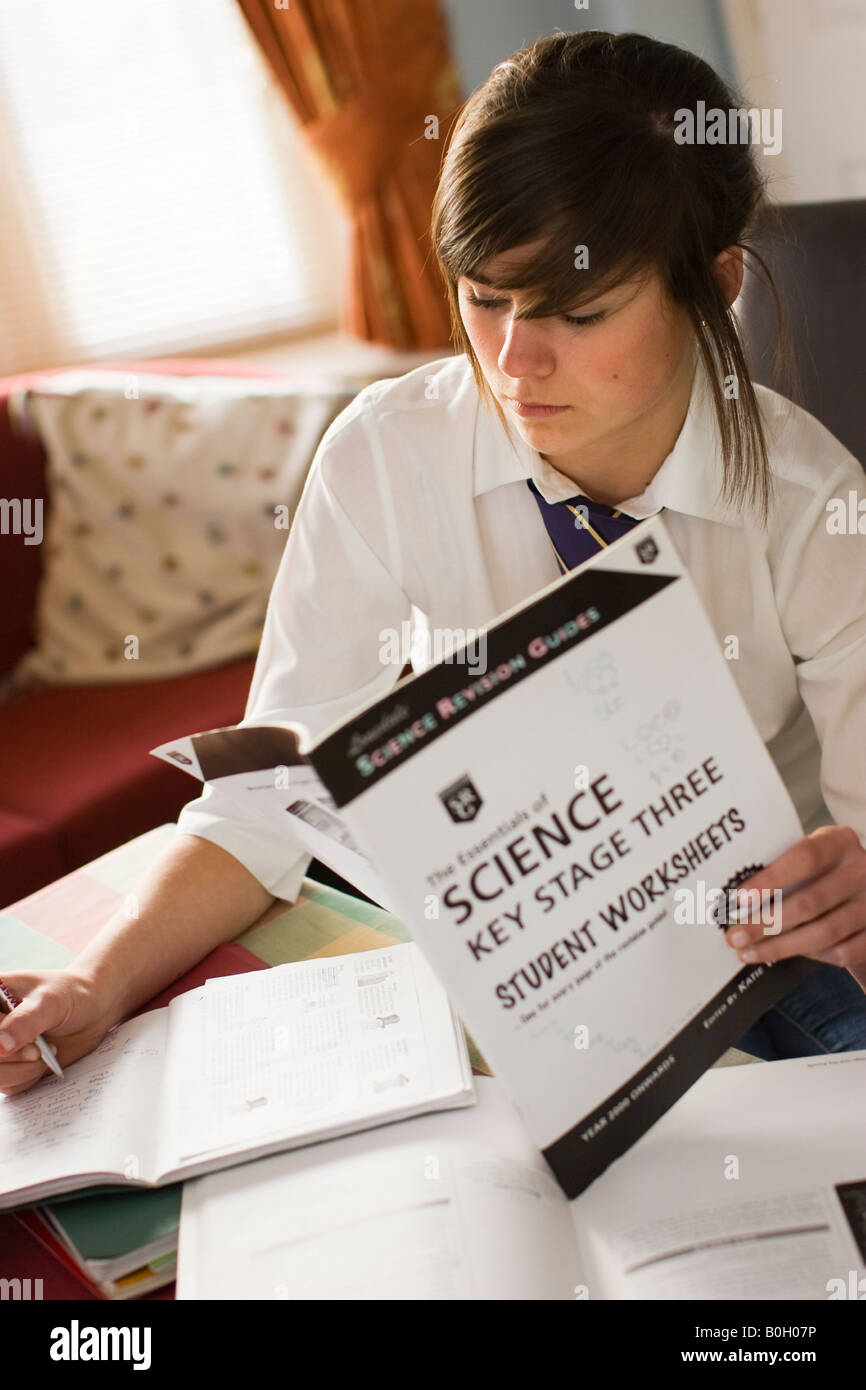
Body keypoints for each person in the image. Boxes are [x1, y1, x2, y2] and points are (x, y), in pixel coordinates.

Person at [2, 29, 865, 1096]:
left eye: (577, 310)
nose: (511, 362)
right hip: (510, 943)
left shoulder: (813, 505)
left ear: (713, 284)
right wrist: (93, 984)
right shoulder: (384, 455)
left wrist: (850, 883)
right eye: (484, 297)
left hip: (755, 937)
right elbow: (270, 797)